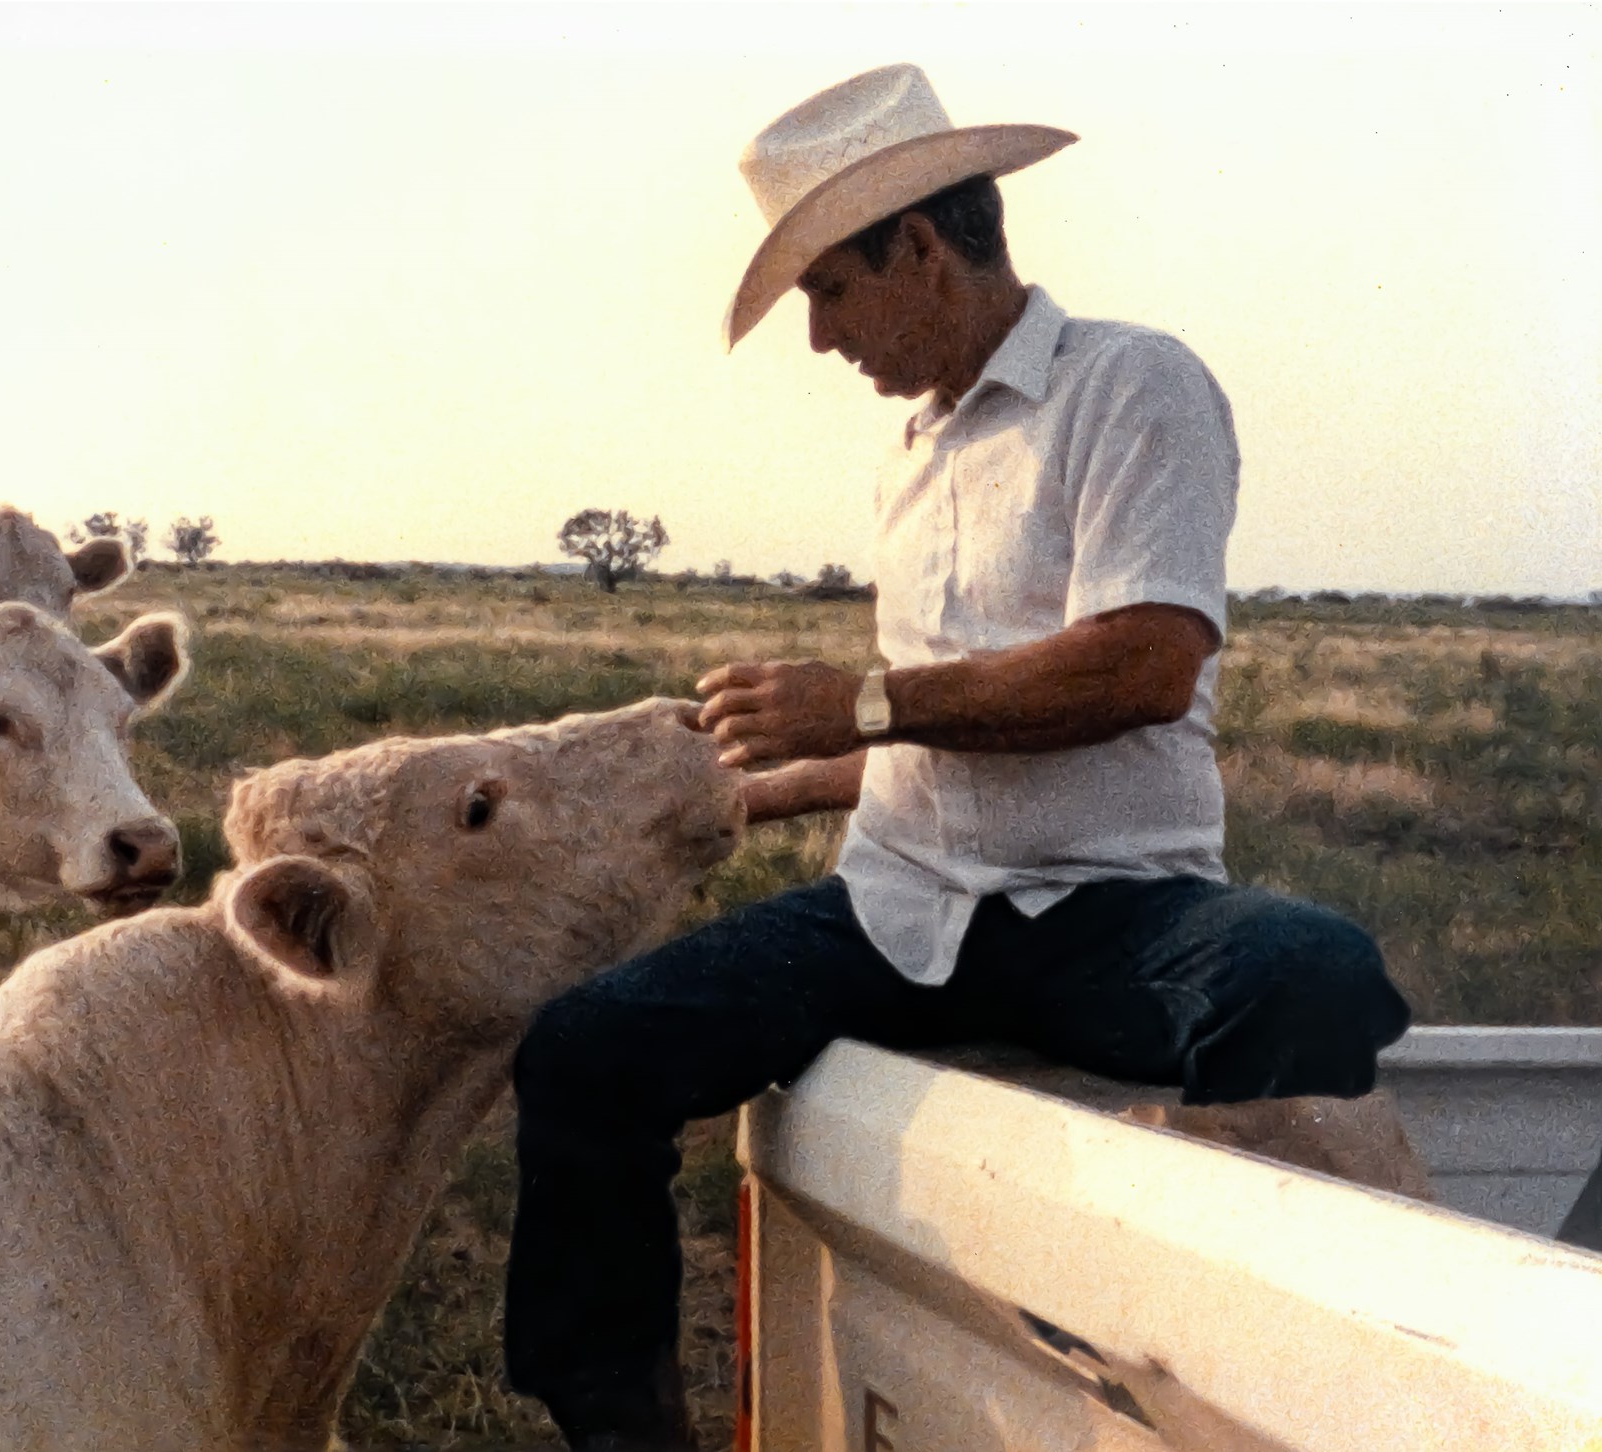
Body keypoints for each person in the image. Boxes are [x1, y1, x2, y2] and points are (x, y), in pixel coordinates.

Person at [502, 63, 1412, 1452]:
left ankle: (1268, 1387)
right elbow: (950, 737)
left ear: (921, 247)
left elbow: (1144, 665)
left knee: (1311, 971)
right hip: (902, 909)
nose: (821, 339)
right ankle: (624, 1433)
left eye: (829, 291)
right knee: (584, 1051)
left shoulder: (1132, 384)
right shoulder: (912, 456)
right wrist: (768, 785)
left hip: (1112, 913)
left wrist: (858, 707)